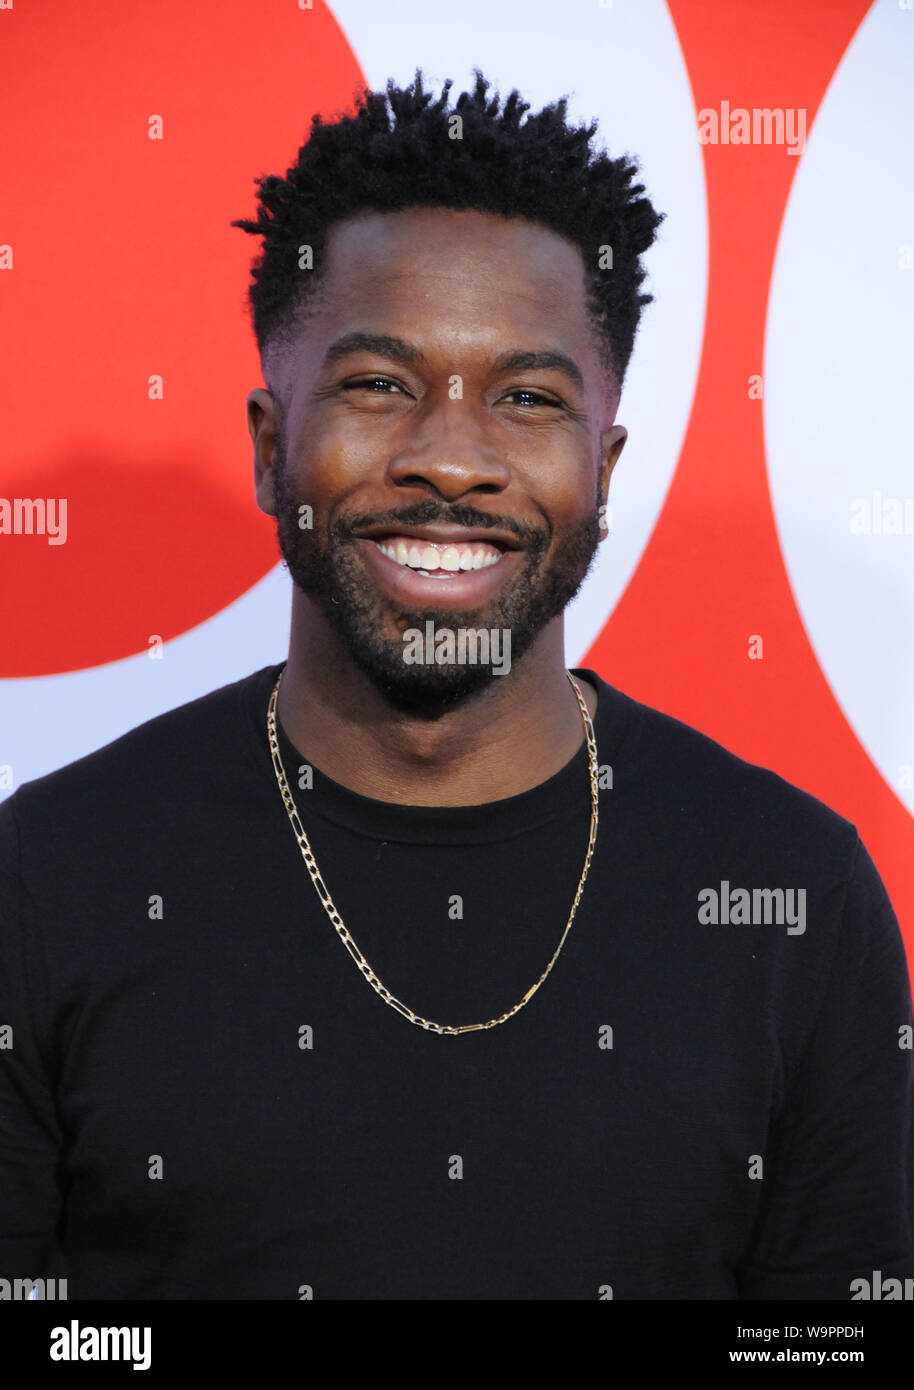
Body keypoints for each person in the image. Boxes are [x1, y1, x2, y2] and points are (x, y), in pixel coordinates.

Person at [1, 70, 911, 1301]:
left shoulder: (792, 891)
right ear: (274, 451)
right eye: (379, 384)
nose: (449, 457)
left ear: (604, 467)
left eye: (527, 399)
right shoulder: (48, 879)